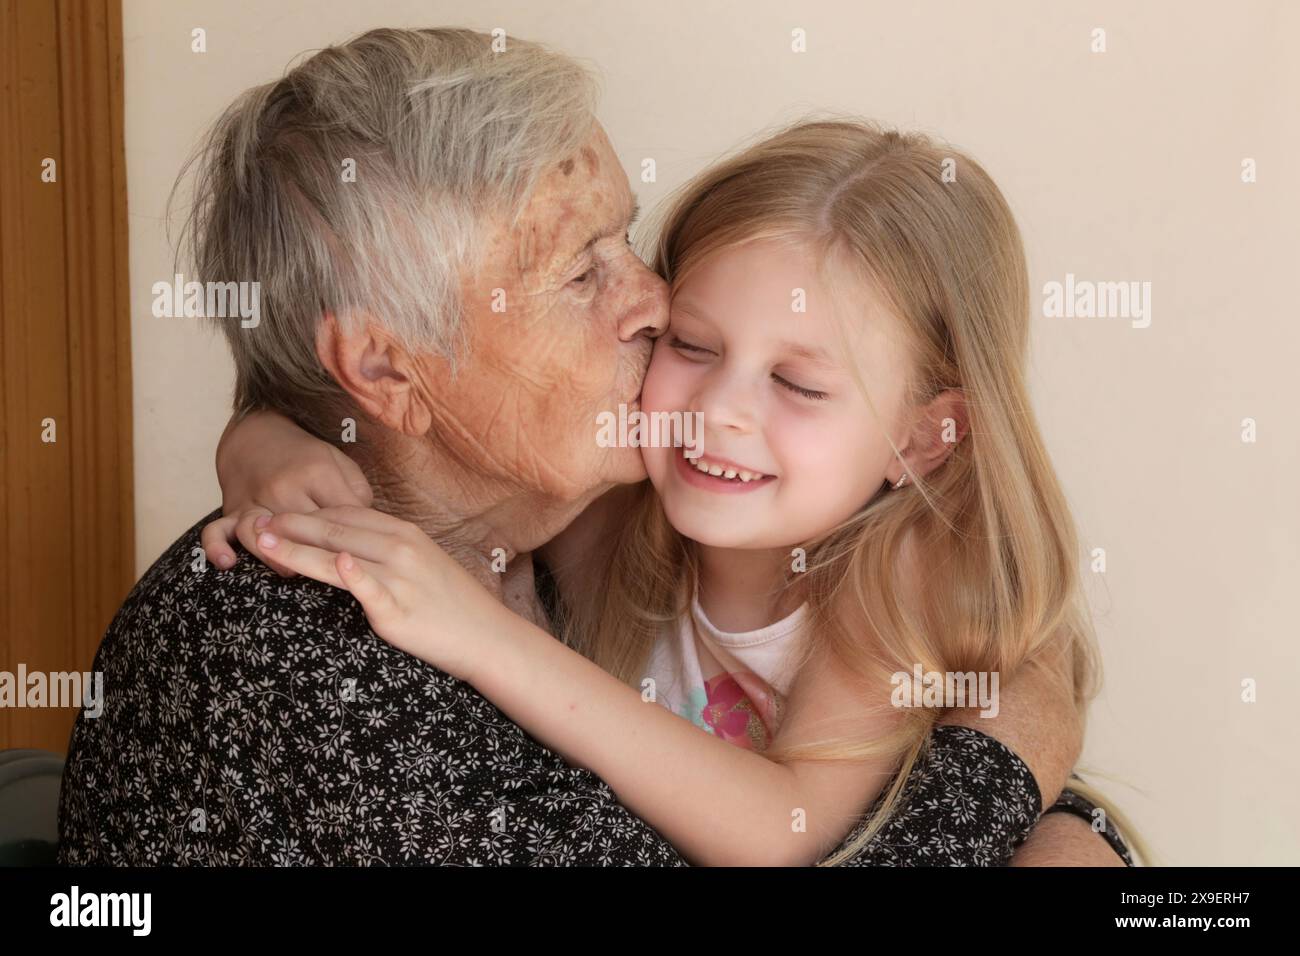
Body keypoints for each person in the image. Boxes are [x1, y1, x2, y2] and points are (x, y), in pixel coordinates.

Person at [58, 26, 1125, 866]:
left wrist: (1057, 787)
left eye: (629, 236)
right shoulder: (308, 668)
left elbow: (863, 767)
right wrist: (1024, 771)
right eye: (582, 273)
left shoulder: (562, 519)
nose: (654, 301)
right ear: (386, 372)